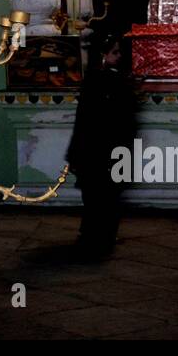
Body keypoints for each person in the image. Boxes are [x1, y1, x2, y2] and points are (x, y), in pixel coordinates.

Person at [66, 32, 137, 259]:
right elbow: (85, 117)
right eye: (114, 52)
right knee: (98, 196)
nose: (119, 56)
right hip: (97, 146)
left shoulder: (117, 80)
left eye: (120, 52)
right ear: (104, 55)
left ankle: (100, 237)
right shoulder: (98, 80)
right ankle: (95, 236)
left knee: (107, 195)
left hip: (109, 146)